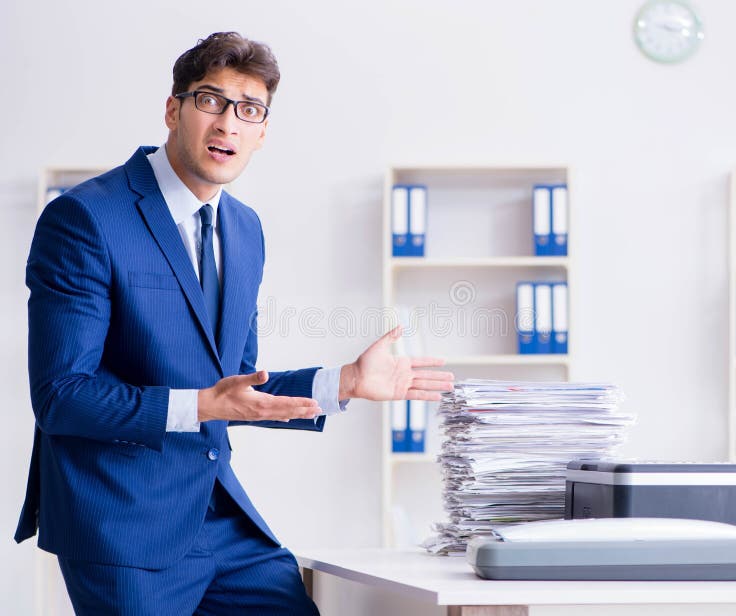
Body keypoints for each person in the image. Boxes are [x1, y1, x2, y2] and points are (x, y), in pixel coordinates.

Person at [16, 31, 453, 615]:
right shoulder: (85, 219)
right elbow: (62, 397)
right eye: (210, 101)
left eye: (249, 110)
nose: (228, 123)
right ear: (173, 110)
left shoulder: (244, 230)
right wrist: (201, 404)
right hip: (121, 523)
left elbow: (236, 385)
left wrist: (343, 382)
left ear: (262, 131)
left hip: (218, 517)